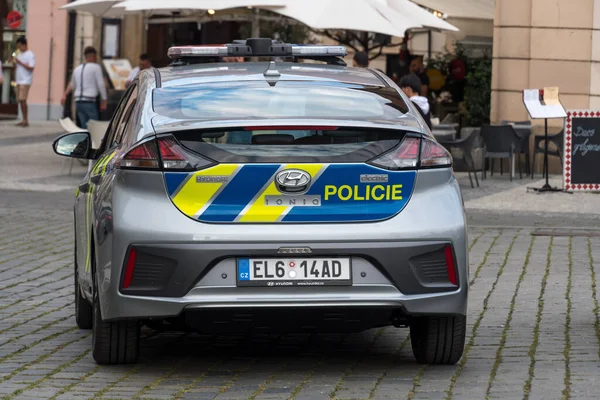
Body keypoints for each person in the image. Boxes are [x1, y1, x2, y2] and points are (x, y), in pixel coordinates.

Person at [61, 46, 107, 130]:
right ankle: (93, 142)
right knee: (94, 126)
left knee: (83, 126)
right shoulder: (96, 68)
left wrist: (64, 95)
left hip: (78, 102)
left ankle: (86, 141)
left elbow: (72, 84)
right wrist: (104, 99)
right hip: (89, 101)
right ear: (93, 56)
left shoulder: (77, 69)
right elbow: (101, 84)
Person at [10, 37, 35, 127]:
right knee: (20, 100)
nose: (19, 48)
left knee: (23, 100)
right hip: (19, 80)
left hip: (26, 80)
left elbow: (31, 67)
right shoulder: (19, 54)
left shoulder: (30, 54)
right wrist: (14, 63)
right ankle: (23, 119)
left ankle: (26, 120)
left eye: (20, 46)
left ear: (24, 45)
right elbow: (16, 67)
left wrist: (20, 62)